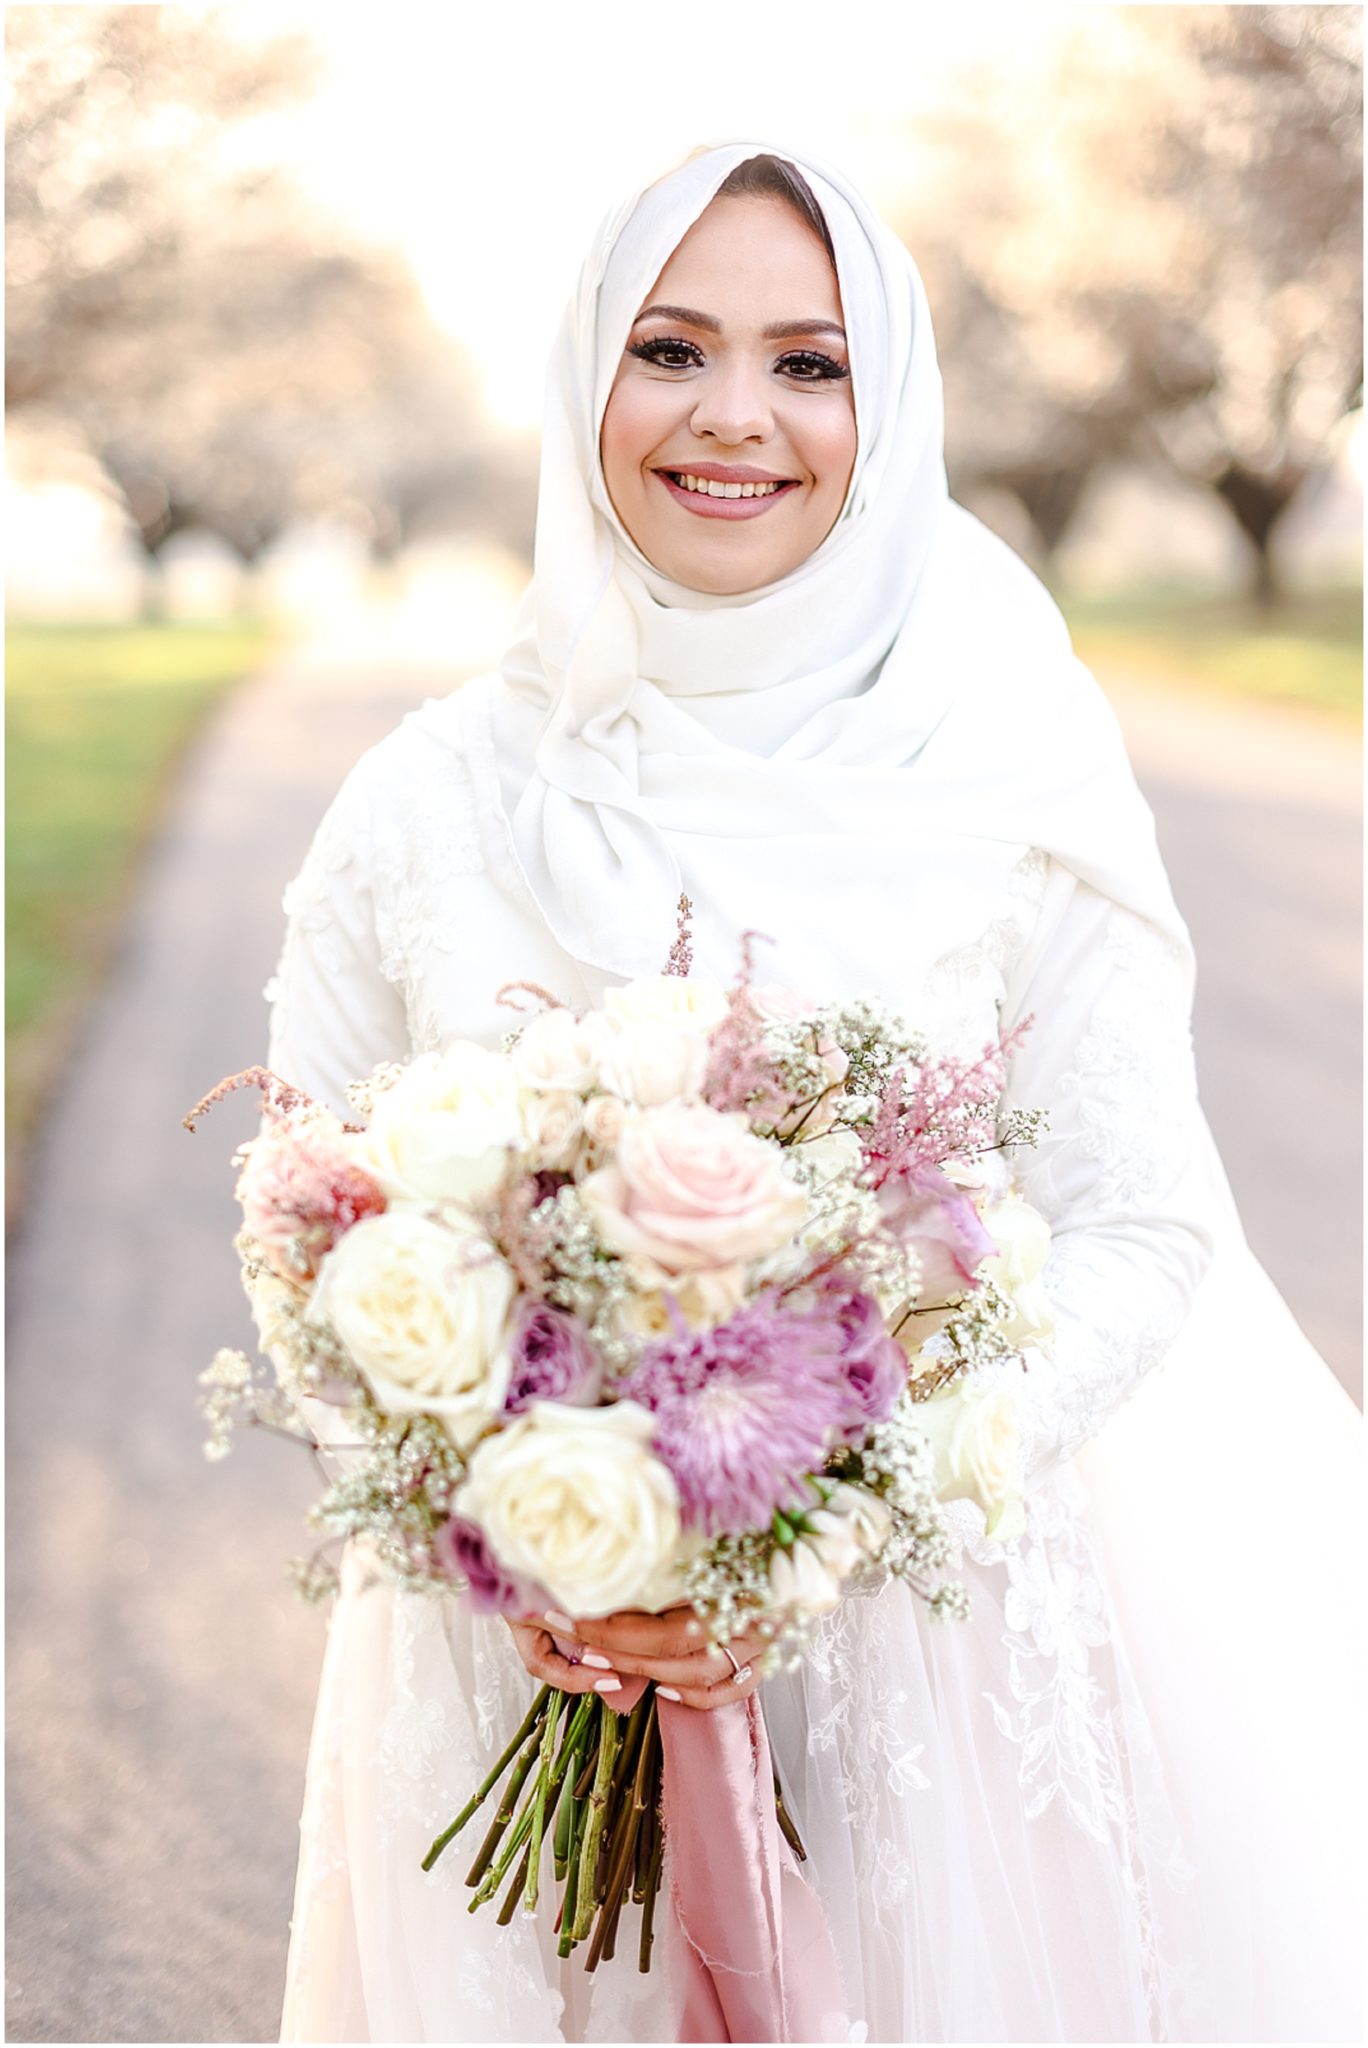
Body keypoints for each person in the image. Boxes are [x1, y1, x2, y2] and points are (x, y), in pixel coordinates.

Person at [265, 141, 1362, 2043]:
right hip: (525, 1659)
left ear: (892, 404)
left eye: (812, 362)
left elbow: (1142, 1214)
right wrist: (521, 1526)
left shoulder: (1011, 767)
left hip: (941, 1661)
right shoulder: (426, 801)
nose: (734, 419)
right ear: (586, 375)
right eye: (671, 348)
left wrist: (840, 1518)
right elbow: (306, 1232)